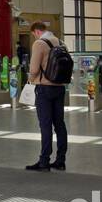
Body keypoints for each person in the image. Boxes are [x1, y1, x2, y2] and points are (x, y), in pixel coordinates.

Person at [25, 21, 67, 172]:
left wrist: (30, 79)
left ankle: (44, 162)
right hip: (60, 88)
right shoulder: (61, 42)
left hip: (44, 88)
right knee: (60, 124)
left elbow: (34, 68)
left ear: (36, 32)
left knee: (45, 125)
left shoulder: (39, 44)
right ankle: (60, 161)